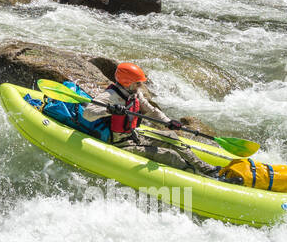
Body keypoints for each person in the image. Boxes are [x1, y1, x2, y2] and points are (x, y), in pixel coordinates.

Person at [80, 63, 223, 178]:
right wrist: (110, 110)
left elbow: (151, 111)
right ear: (127, 82)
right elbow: (88, 113)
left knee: (173, 138)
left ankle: (209, 170)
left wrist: (169, 122)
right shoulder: (109, 96)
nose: (141, 86)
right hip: (119, 143)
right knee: (169, 155)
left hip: (134, 135)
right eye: (138, 83)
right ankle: (201, 178)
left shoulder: (135, 93)